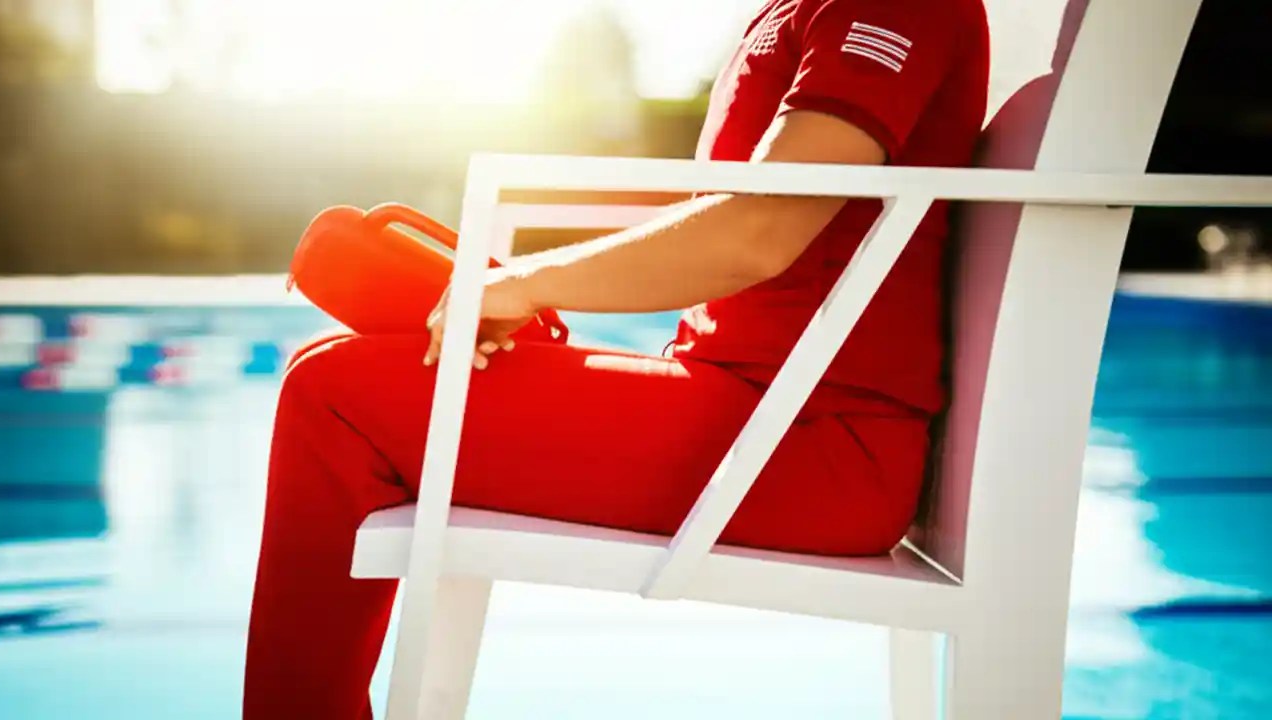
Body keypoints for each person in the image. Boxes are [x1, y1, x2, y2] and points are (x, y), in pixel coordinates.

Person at [244, 0, 990, 716]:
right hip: (753, 412)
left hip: (807, 440)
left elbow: (760, 232)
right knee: (340, 363)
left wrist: (524, 283)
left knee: (334, 393)